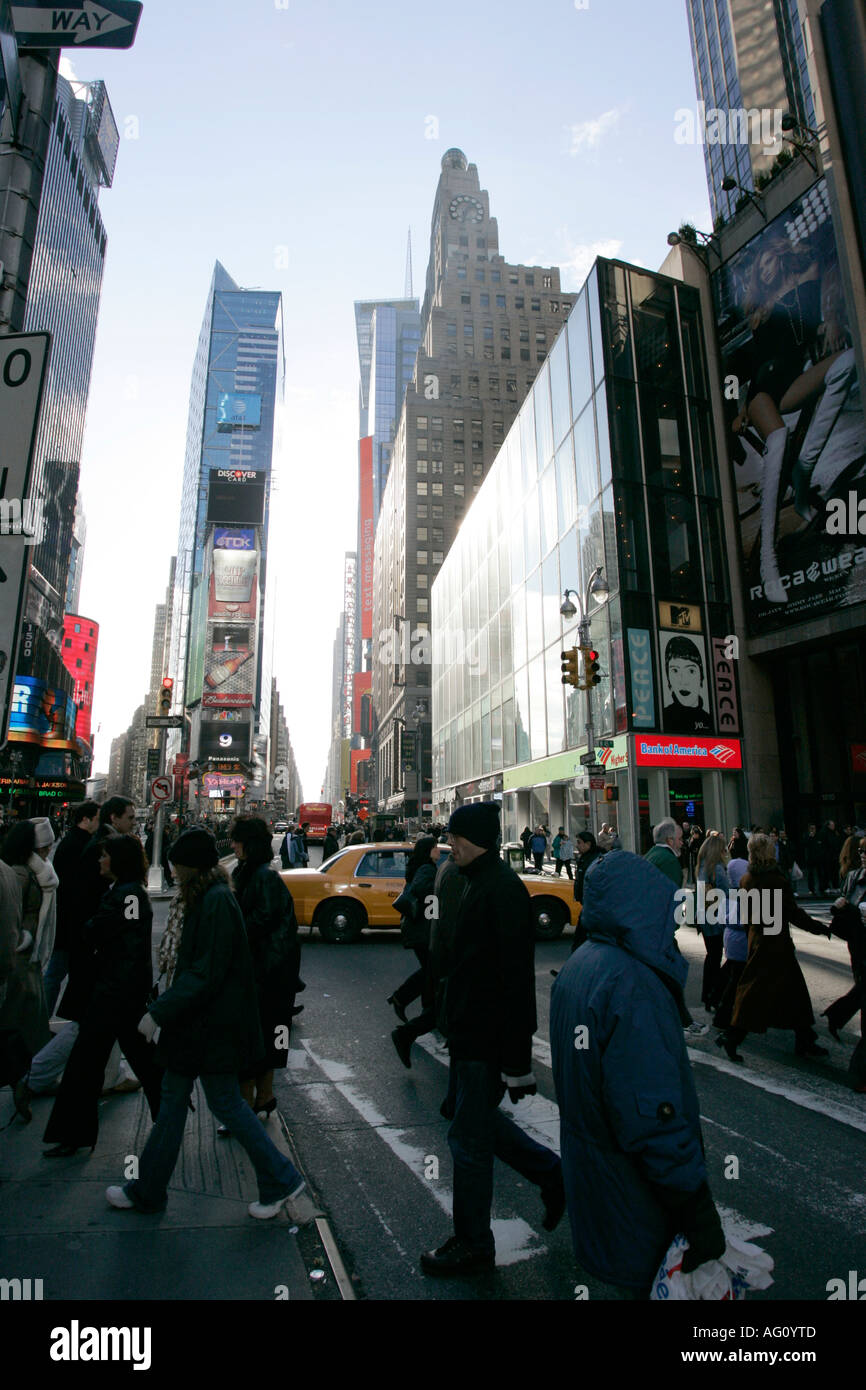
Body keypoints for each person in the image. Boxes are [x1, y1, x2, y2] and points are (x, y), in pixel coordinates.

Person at [105, 828, 317, 1222]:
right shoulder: (208, 896)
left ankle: (281, 1179)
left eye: (175, 863)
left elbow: (206, 972)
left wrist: (159, 1013)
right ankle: (149, 1190)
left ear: (188, 866)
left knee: (226, 1106)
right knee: (180, 1105)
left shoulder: (216, 902)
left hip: (209, 1027)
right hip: (200, 1025)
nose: (171, 870)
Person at [550, 851, 725, 1296]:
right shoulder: (631, 984)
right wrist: (696, 1209)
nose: (671, 921)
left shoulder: (582, 964)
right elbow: (652, 1115)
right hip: (635, 1197)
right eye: (665, 909)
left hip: (597, 1188)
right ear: (642, 908)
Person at [420, 802, 564, 1277]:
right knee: (473, 1123)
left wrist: (517, 1061)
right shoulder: (475, 882)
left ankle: (473, 1244)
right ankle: (551, 1174)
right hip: (467, 1034)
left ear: (472, 839)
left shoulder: (502, 890)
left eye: (455, 838)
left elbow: (515, 979)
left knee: (468, 1138)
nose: (449, 845)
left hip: (485, 1039)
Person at [730, 233, 857, 604]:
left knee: (847, 363)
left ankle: (802, 470)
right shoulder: (758, 312)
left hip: (791, 381)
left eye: (769, 261)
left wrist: (830, 321)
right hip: (761, 394)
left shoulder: (805, 281)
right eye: (761, 266)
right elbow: (743, 367)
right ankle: (768, 558)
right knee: (779, 438)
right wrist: (738, 407)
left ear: (779, 258)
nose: (766, 270)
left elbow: (826, 254)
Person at [40, 835, 163, 1155]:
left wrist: (95, 928)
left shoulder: (127, 895)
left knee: (88, 1067)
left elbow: (100, 932)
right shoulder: (126, 892)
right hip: (122, 997)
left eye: (105, 856)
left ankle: (76, 1133)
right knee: (143, 1066)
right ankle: (166, 1120)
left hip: (114, 997)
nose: (100, 861)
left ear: (118, 861)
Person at [717, 833, 832, 1063]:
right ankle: (734, 1036)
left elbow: (752, 915)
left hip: (759, 940)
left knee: (782, 993)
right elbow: (792, 913)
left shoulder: (748, 879)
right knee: (762, 995)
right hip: (775, 944)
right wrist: (818, 928)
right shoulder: (774, 880)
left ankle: (804, 1038)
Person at [228, 816, 301, 1126]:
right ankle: (260, 1100)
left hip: (266, 976)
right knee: (261, 1039)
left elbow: (263, 923)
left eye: (236, 840)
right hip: (261, 974)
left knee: (261, 1039)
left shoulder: (263, 877)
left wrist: (231, 932)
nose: (232, 845)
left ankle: (254, 1102)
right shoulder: (246, 873)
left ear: (249, 844)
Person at [0, 822, 51, 1067]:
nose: (48, 850)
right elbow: (11, 913)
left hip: (26, 953)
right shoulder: (19, 873)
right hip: (19, 955)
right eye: (44, 845)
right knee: (19, 1019)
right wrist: (22, 939)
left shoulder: (36, 870)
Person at [44, 800, 100, 1017]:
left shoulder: (79, 841)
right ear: (85, 820)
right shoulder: (77, 844)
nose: (98, 822)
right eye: (96, 818)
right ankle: (42, 1018)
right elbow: (75, 887)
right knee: (56, 973)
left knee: (60, 973)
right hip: (70, 922)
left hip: (70, 921)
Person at [388, 834, 439, 1068]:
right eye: (436, 847)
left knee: (430, 971)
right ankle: (406, 1002)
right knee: (432, 970)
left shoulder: (421, 866)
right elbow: (423, 892)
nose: (439, 851)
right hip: (422, 930)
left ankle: (404, 999)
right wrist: (434, 916)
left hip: (417, 928)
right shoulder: (428, 870)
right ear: (429, 851)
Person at [823, 838, 866, 1091]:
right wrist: (842, 909)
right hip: (861, 947)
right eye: (861, 851)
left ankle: (837, 1014)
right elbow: (841, 907)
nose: (862, 855)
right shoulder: (854, 877)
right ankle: (860, 1073)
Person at [712, 854, 750, 1031]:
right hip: (740, 943)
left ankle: (718, 1005)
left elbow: (722, 917)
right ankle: (725, 1017)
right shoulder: (740, 895)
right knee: (736, 981)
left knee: (732, 976)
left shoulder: (730, 895)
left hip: (732, 942)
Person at [695, 831, 729, 1014]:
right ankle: (714, 994)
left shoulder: (702, 868)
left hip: (705, 915)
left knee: (712, 957)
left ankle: (708, 994)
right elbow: (727, 891)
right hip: (716, 916)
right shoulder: (716, 869)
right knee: (718, 957)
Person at [571, 832, 602, 952]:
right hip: (588, 905)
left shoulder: (594, 859)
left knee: (580, 940)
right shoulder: (585, 858)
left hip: (592, 906)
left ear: (588, 844)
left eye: (579, 842)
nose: (577, 846)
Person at [644, 818, 683, 889]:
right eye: (679, 839)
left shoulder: (649, 854)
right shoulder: (670, 860)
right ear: (670, 840)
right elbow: (673, 893)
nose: (682, 843)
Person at [802, 823, 822, 897]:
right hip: (810, 858)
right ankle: (811, 889)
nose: (812, 830)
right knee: (810, 874)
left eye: (814, 828)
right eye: (811, 828)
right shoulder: (807, 836)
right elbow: (804, 844)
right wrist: (810, 837)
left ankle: (821, 888)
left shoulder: (818, 836)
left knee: (820, 874)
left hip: (818, 858)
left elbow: (821, 845)